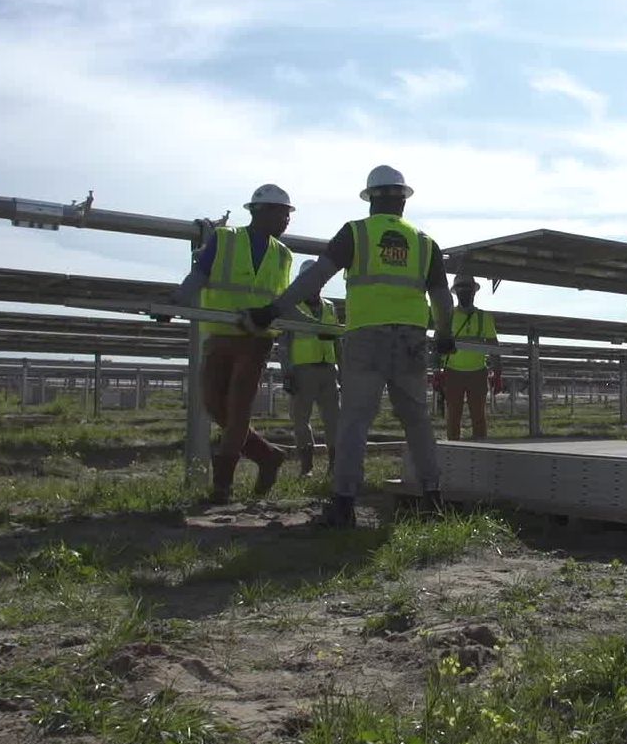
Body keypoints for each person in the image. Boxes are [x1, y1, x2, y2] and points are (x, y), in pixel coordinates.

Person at [251, 164, 453, 527]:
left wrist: (275, 308)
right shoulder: (425, 243)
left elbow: (316, 275)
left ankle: (344, 503)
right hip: (411, 339)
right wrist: (444, 334)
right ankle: (433, 497)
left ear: (371, 199)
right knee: (417, 420)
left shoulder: (356, 233)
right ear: (403, 201)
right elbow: (441, 297)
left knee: (355, 420)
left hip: (366, 337)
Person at [177, 184, 294, 503]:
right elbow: (199, 275)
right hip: (220, 334)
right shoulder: (225, 239)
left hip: (256, 339)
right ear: (260, 212)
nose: (286, 220)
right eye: (282, 213)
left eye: (288, 215)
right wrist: (177, 301)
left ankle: (222, 485)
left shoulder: (284, 254)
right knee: (213, 404)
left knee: (238, 408)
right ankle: (267, 455)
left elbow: (282, 299)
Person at [279, 262, 341, 477]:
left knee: (334, 420)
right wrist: (287, 372)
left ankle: (334, 466)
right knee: (301, 421)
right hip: (302, 371)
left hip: (328, 371)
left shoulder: (330, 307)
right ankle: (307, 467)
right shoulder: (292, 307)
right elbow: (284, 343)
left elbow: (337, 341)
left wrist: (342, 370)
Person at [442, 271, 502, 440]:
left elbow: (493, 346)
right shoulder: (448, 316)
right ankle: (453, 449)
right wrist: (437, 370)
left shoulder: (484, 317)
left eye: (467, 289)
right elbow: (439, 343)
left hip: (478, 372)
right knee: (453, 416)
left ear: (474, 292)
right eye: (461, 289)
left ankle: (480, 448)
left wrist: (498, 371)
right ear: (456, 292)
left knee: (479, 417)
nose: (464, 292)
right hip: (453, 371)